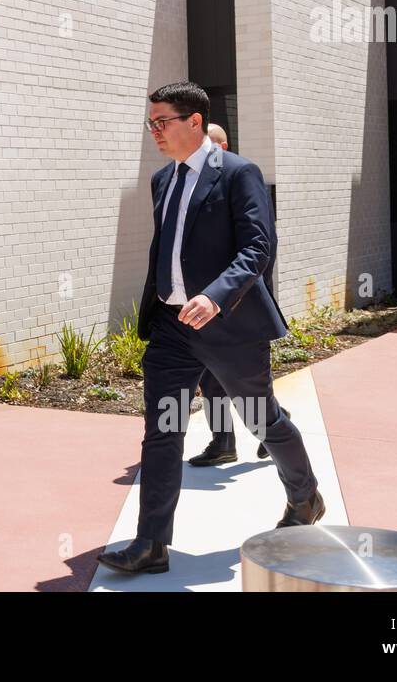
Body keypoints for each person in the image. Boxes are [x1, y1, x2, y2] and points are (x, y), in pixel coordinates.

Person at [99, 82, 323, 576]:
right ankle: (151, 543)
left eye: (162, 122)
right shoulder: (162, 180)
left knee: (263, 420)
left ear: (194, 122)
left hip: (230, 326)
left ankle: (305, 498)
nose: (154, 131)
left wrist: (215, 296)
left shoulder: (239, 173)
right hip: (171, 328)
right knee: (162, 428)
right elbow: (168, 248)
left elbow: (258, 247)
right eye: (150, 123)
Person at [189, 123, 288, 466]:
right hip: (200, 306)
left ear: (224, 145)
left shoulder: (241, 177)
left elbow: (261, 248)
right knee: (210, 380)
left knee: (246, 386)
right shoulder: (190, 184)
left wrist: (232, 294)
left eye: (211, 145)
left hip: (237, 305)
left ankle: (274, 428)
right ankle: (223, 442)